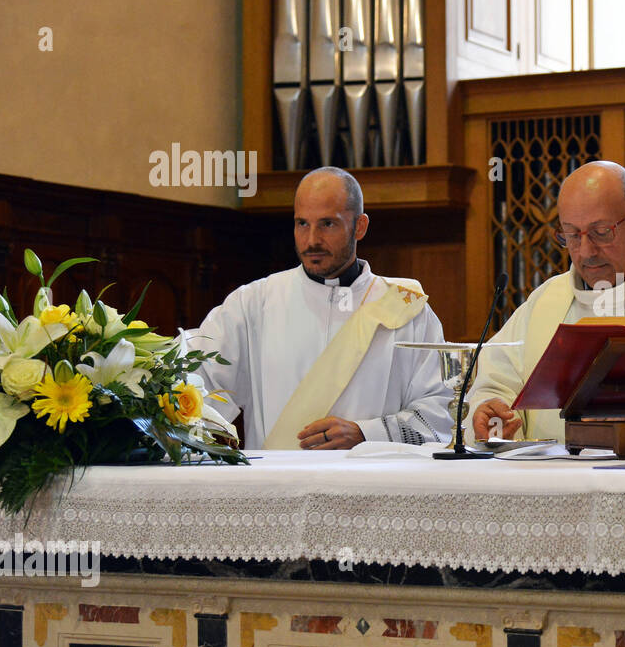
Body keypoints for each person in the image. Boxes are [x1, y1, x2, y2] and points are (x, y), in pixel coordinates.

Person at [186, 166, 454, 450]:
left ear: (360, 226)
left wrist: (366, 434)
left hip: (372, 485)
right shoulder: (253, 304)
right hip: (277, 486)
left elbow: (439, 414)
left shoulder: (407, 311)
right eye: (302, 224)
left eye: (327, 224)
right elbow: (197, 384)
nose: (312, 240)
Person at [466, 161, 625, 443]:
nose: (586, 251)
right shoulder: (544, 302)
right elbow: (494, 384)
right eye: (571, 235)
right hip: (549, 482)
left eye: (601, 232)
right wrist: (489, 414)